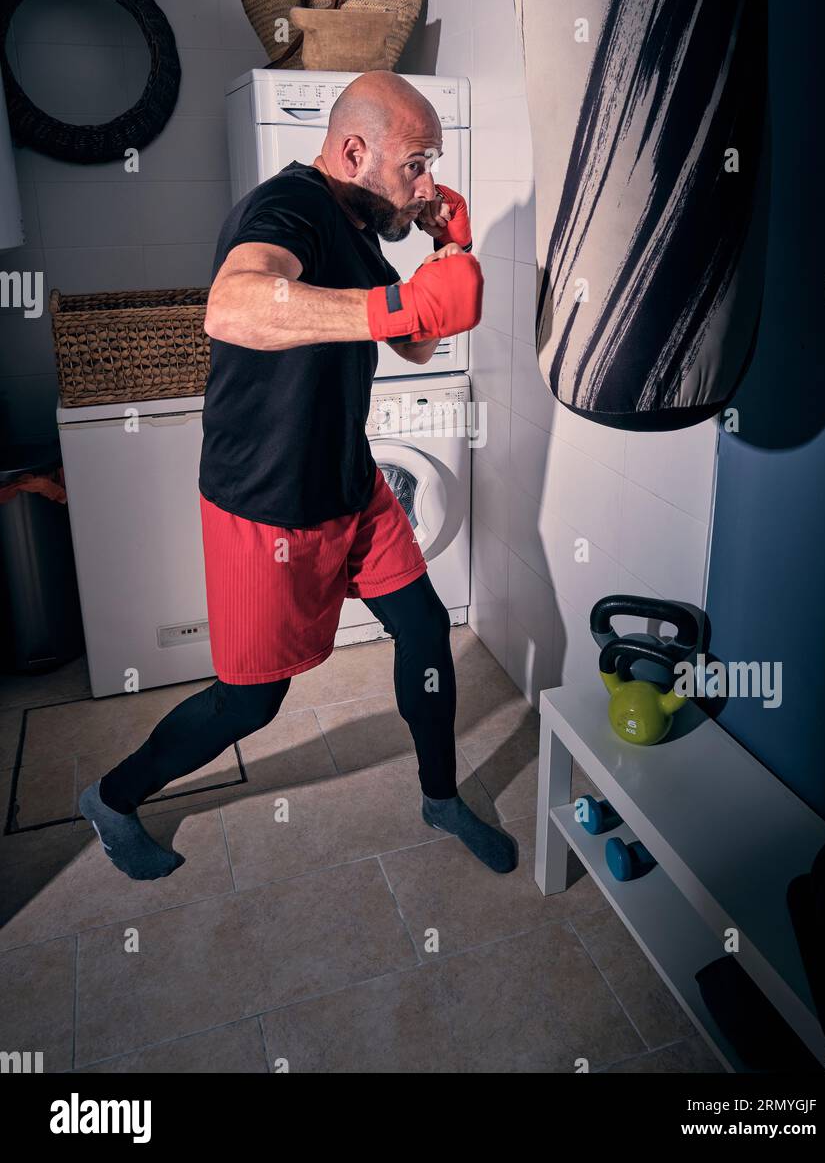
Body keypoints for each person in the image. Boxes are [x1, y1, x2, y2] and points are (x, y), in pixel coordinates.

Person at [79, 70, 517, 881]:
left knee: (424, 631)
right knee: (251, 701)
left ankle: (441, 796)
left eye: (433, 167)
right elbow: (234, 306)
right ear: (354, 150)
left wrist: (444, 248)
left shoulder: (364, 225)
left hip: (351, 483)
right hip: (267, 503)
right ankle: (112, 796)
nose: (428, 184)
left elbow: (414, 341)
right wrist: (399, 308)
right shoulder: (286, 209)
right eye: (415, 164)